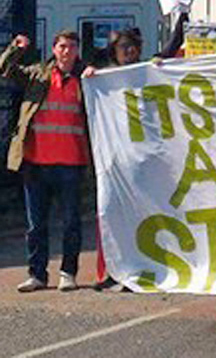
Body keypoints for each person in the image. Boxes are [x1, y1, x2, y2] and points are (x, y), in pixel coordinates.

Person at [0, 31, 89, 293]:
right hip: (35, 163)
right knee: (36, 223)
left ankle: (68, 272)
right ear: (54, 48)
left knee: (71, 221)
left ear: (77, 51)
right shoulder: (38, 75)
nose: (66, 52)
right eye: (62, 46)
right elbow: (5, 68)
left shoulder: (85, 80)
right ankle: (37, 274)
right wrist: (16, 48)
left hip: (71, 163)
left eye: (72, 47)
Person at [87, 28, 143, 292]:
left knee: (138, 215)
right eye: (124, 48)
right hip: (111, 161)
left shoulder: (147, 72)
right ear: (114, 52)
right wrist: (88, 74)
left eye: (133, 47)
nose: (129, 52)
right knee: (108, 214)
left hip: (140, 161)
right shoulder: (104, 77)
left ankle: (137, 268)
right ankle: (109, 271)